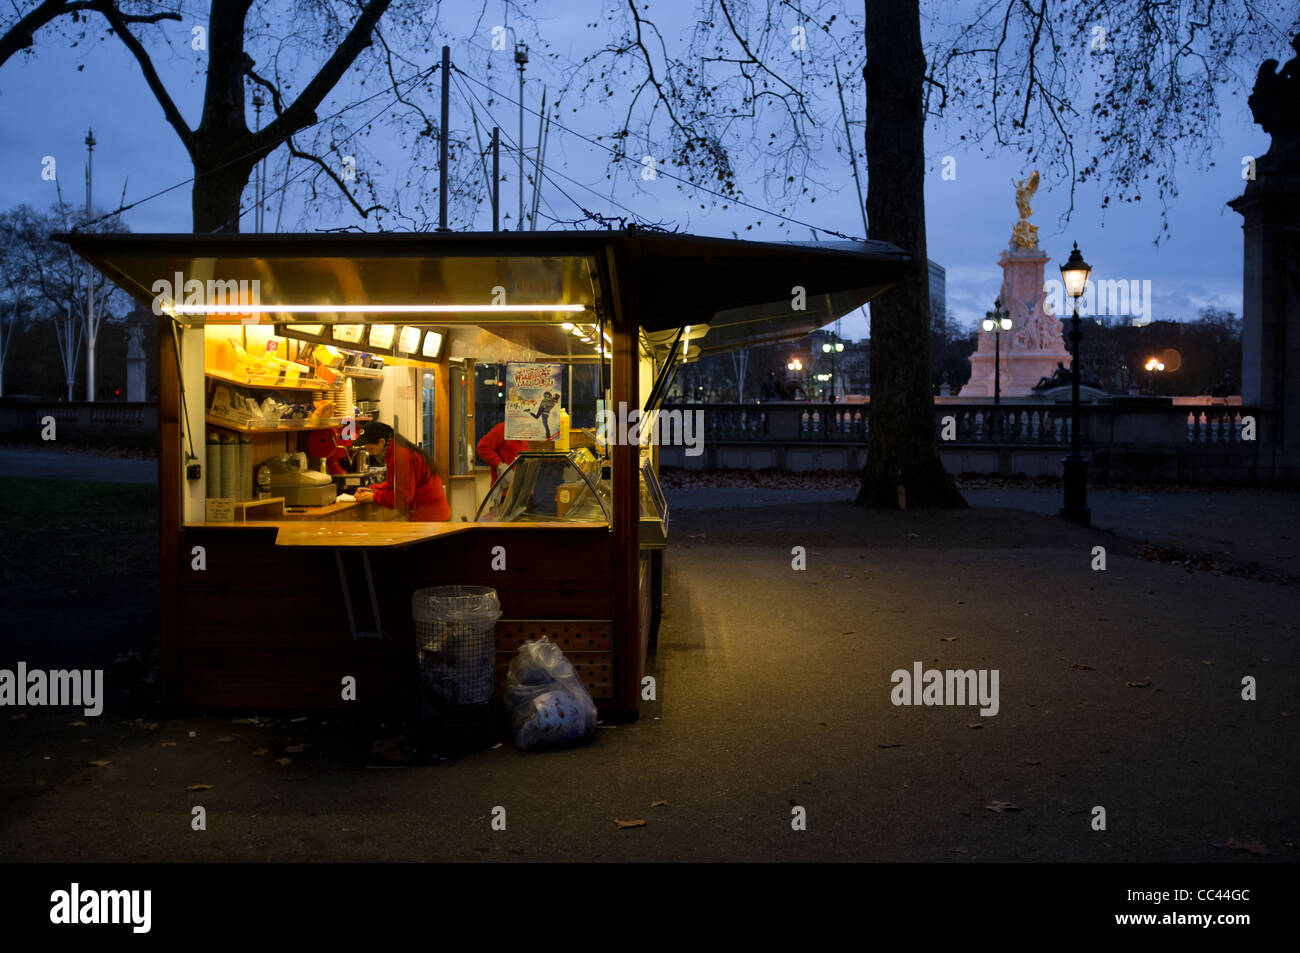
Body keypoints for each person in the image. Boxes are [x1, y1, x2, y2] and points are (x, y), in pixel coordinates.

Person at [353, 421, 450, 522]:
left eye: (371, 449)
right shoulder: (396, 450)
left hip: (430, 517)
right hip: (430, 514)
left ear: (381, 442)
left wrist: (375, 496)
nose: (370, 453)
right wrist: (371, 490)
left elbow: (403, 497)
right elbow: (395, 484)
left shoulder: (400, 456)